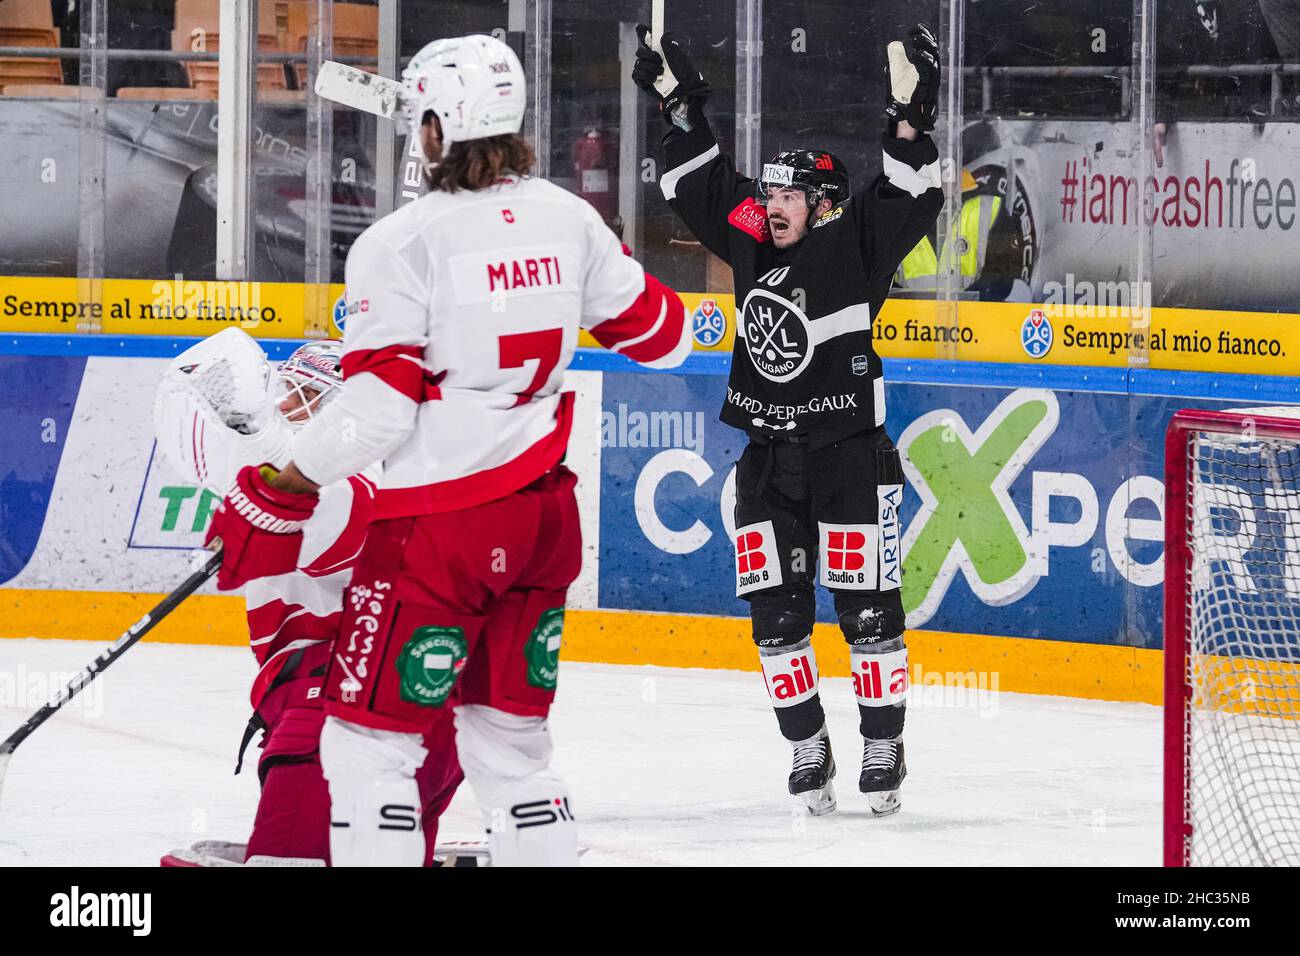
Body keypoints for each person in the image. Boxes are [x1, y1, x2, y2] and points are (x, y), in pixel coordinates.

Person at [204, 34, 693, 866]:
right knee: (512, 750)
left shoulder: (399, 242)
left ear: (433, 127)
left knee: (368, 747)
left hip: (441, 532)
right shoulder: (570, 217)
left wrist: (282, 483)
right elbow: (666, 336)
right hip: (544, 520)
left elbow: (380, 412)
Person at [633, 24, 945, 816]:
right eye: (768, 192)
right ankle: (809, 748)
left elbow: (909, 192)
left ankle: (883, 742)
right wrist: (678, 106)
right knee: (776, 625)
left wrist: (909, 119)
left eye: (787, 195)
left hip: (848, 458)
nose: (770, 205)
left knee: (869, 615)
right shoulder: (752, 230)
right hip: (769, 463)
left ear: (825, 204)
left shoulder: (856, 242)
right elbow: (702, 187)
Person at [151, 328, 462, 865]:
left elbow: (330, 520)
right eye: (285, 389)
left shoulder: (363, 483)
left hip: (339, 718)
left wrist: (260, 472)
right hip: (410, 719)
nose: (283, 405)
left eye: (303, 396)